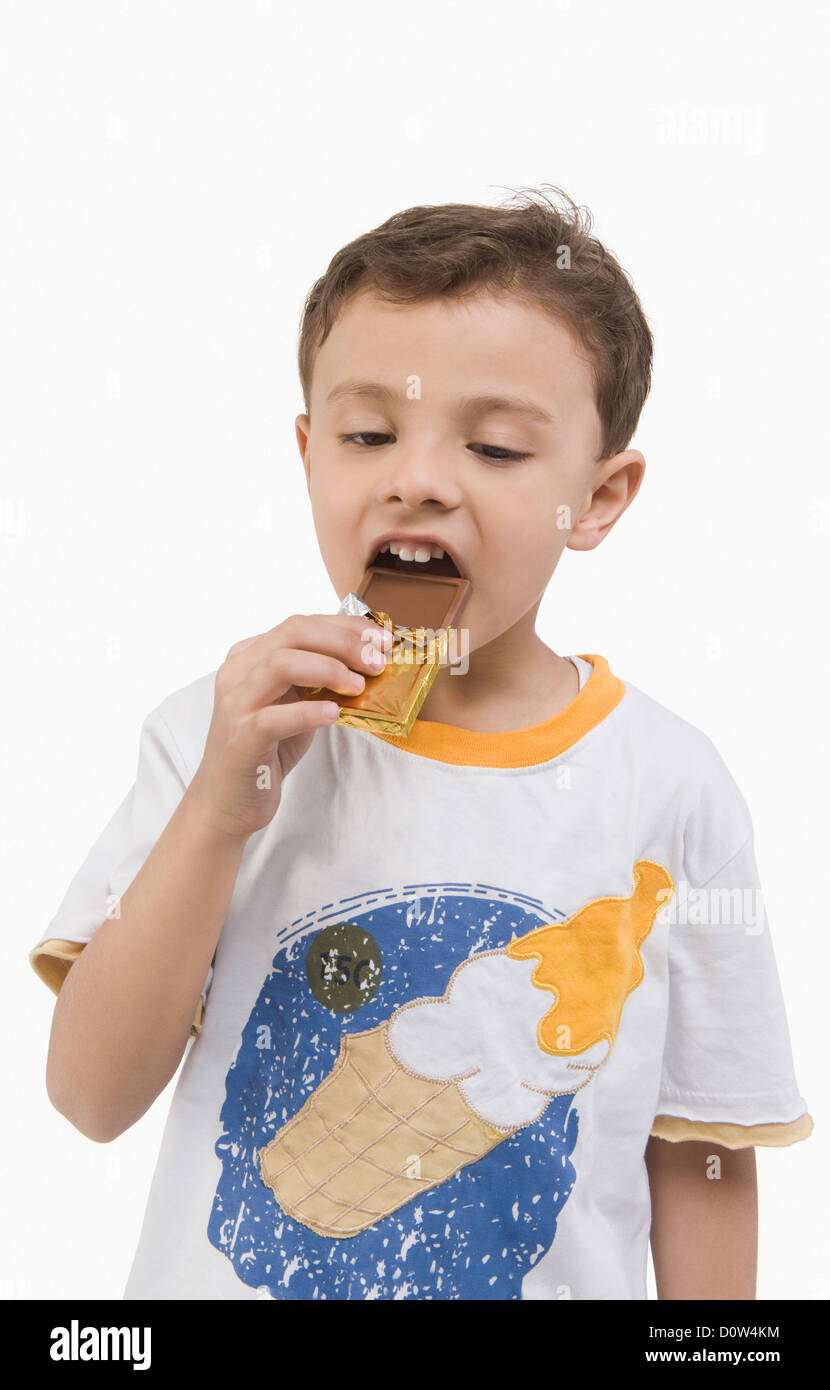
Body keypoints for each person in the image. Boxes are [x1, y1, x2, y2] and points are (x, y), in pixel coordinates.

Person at [30, 187, 812, 1301]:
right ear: (309, 455)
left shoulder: (668, 787)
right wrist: (217, 810)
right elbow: (91, 1098)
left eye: (493, 447)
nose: (417, 478)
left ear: (596, 498)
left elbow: (703, 1146)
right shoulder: (217, 733)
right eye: (366, 434)